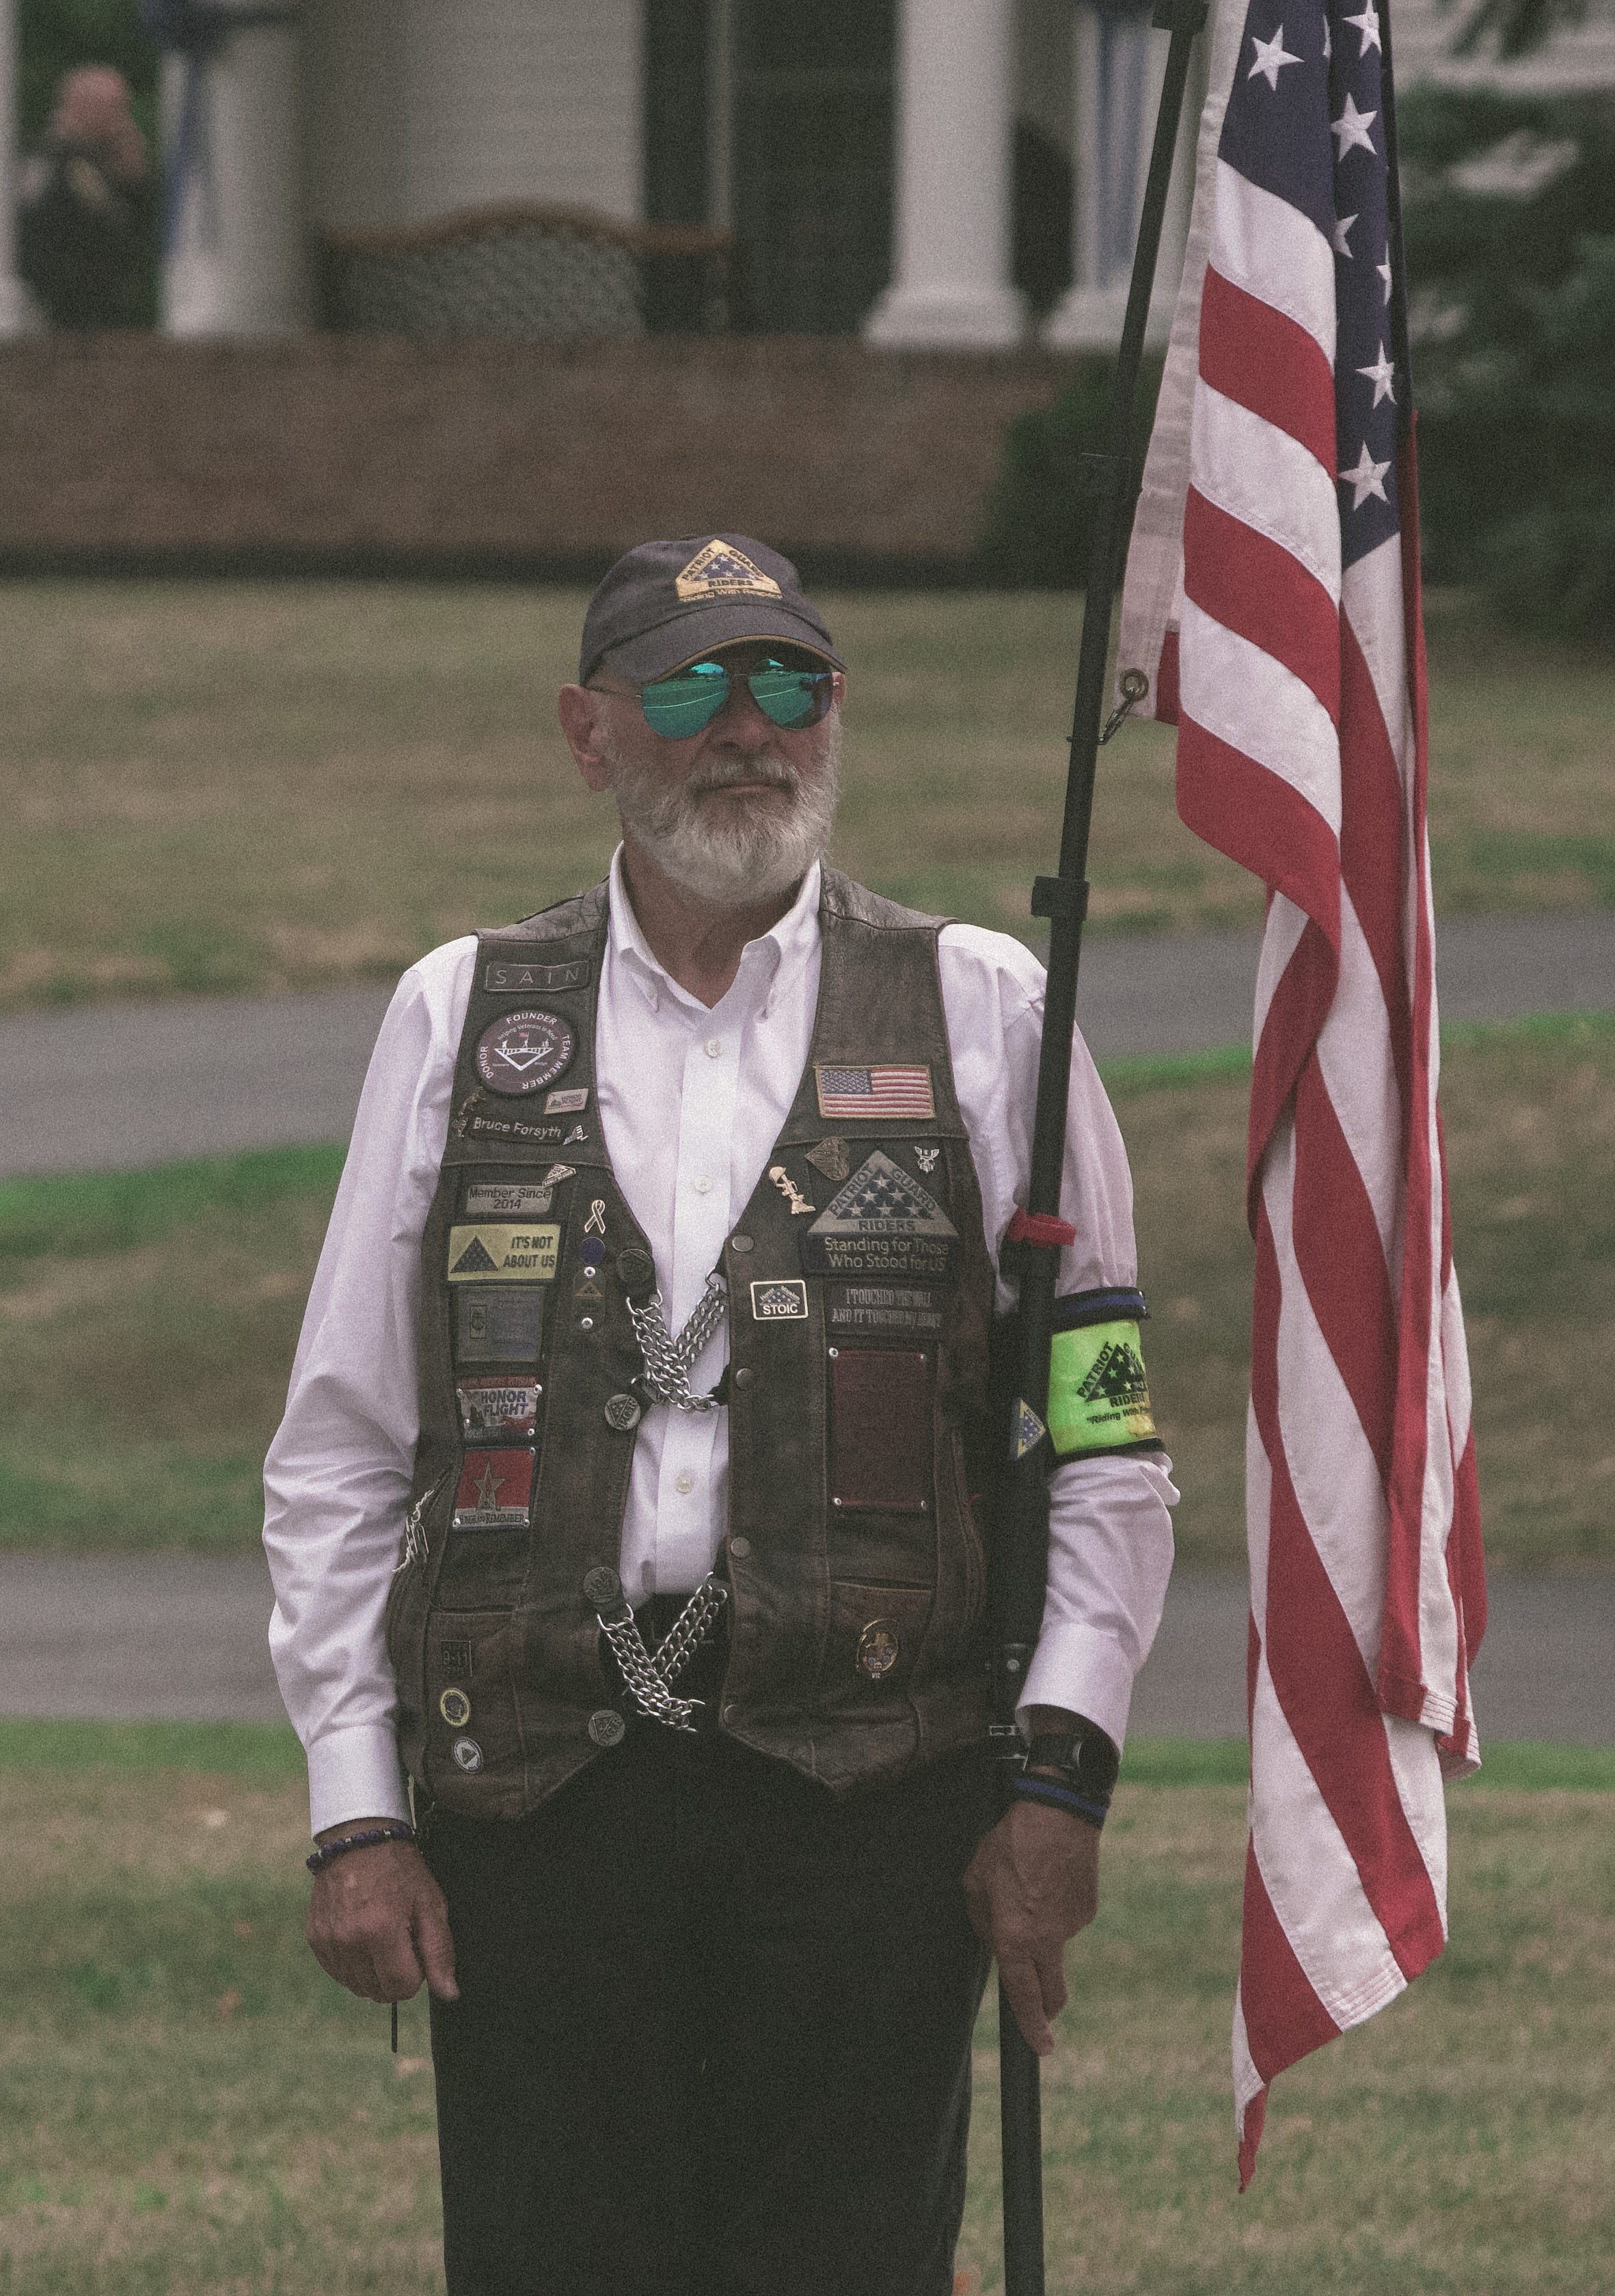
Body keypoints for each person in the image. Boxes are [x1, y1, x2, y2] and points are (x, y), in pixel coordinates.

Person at [262, 535, 1176, 2293]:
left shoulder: (986, 1010)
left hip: (873, 1796)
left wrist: (1064, 1770)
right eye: (690, 688)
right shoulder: (462, 1012)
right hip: (536, 1801)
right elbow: (345, 1444)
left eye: (791, 686)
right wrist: (358, 1806)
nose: (748, 731)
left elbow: (1104, 1428)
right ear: (587, 731)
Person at [18, 63, 160, 332]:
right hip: (60, 314)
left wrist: (134, 183)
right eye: (113, 107)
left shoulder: (103, 163)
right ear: (82, 106)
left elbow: (135, 235)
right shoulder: (48, 159)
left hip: (101, 312)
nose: (122, 119)